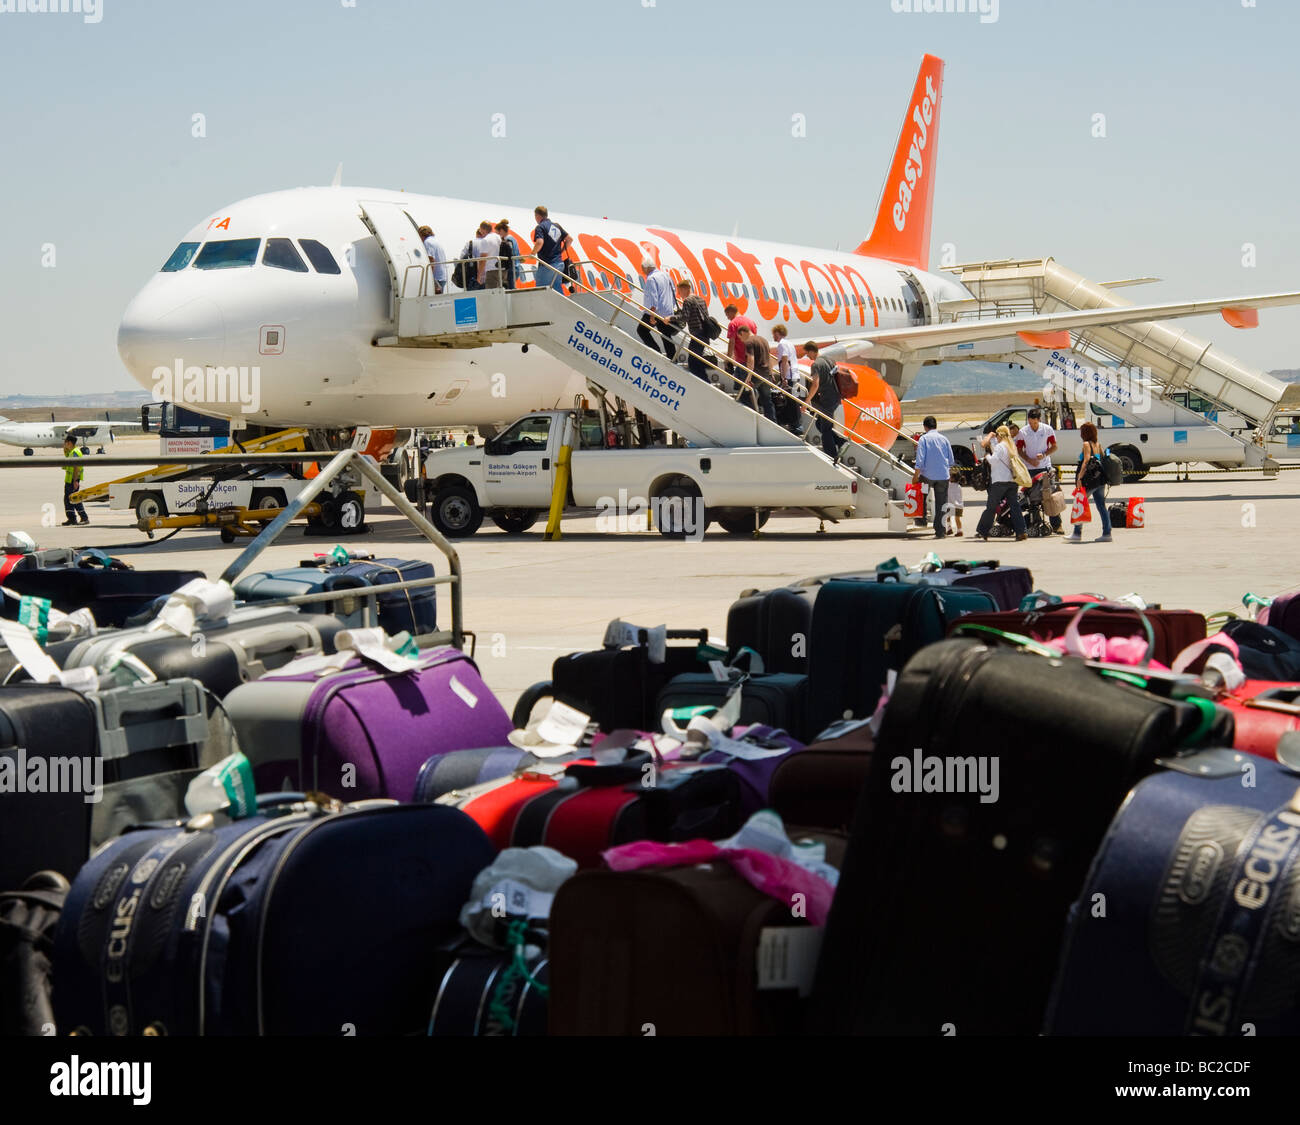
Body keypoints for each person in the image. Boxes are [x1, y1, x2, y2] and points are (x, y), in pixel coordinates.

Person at [975, 425, 1028, 541]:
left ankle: (983, 531)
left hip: (999, 481)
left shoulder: (1000, 446)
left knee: (991, 507)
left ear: (1000, 435)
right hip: (1012, 481)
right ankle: (1021, 531)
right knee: (1015, 507)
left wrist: (987, 456)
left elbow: (993, 461)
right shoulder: (1011, 446)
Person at [1017, 406, 1062, 533]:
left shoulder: (1047, 430)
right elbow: (1019, 449)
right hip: (1030, 469)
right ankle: (1035, 523)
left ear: (1039, 420)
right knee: (1032, 498)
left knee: (1050, 497)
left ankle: (1057, 524)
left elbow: (1054, 446)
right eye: (1030, 423)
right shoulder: (1023, 432)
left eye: (1035, 423)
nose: (1032, 425)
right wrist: (1028, 459)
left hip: (1045, 467)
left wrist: (1044, 454)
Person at [1068, 421, 1113, 543]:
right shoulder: (1098, 444)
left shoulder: (1086, 444)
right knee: (1101, 506)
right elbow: (1103, 458)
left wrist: (1080, 478)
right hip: (1100, 480)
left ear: (1085, 433)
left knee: (1079, 504)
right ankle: (1107, 533)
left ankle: (1077, 534)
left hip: (1089, 480)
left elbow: (1086, 461)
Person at [911, 416, 954, 539]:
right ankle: (940, 531)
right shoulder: (944, 439)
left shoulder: (924, 439)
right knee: (942, 504)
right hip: (942, 477)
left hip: (927, 477)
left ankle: (921, 519)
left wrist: (916, 475)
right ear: (936, 426)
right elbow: (951, 460)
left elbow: (920, 459)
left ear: (925, 427)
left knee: (921, 495)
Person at [804, 341, 844, 460]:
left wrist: (807, 401)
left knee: (825, 429)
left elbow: (815, 384)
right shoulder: (830, 360)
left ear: (812, 351)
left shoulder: (816, 365)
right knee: (819, 423)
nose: (808, 356)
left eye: (807, 354)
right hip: (836, 397)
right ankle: (840, 442)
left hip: (827, 399)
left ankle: (832, 455)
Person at [670, 280, 711, 380]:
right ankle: (704, 380)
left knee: (693, 361)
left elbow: (685, 317)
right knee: (696, 358)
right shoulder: (701, 299)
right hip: (705, 333)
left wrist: (670, 318)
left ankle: (704, 382)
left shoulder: (688, 301)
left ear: (685, 289)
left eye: (680, 291)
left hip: (697, 333)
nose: (679, 294)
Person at [637, 258, 677, 357]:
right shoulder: (665, 275)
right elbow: (673, 291)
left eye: (643, 269)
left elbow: (653, 298)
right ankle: (673, 357)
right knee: (666, 335)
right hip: (667, 312)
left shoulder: (651, 279)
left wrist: (652, 315)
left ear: (647, 268)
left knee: (642, 330)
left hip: (655, 312)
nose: (642, 271)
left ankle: (657, 353)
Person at [736, 326, 776, 420]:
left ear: (743, 333)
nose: (741, 340)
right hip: (766, 374)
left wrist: (749, 377)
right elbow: (769, 358)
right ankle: (772, 422)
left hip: (756, 374)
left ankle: (751, 419)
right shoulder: (763, 340)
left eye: (740, 337)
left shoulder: (749, 342)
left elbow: (751, 359)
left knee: (744, 395)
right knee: (767, 400)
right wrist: (771, 373)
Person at [531, 205, 572, 293]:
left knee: (541, 292)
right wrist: (561, 251)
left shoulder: (540, 227)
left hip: (547, 265)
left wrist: (532, 254)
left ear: (538, 216)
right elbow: (569, 239)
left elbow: (539, 242)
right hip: (559, 264)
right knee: (557, 290)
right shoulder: (556, 226)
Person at [724, 304, 757, 389]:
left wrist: (728, 359)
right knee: (744, 387)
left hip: (742, 360)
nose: (728, 318)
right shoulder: (751, 322)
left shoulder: (733, 323)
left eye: (727, 315)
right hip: (751, 360)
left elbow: (732, 342)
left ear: (731, 312)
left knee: (741, 389)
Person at [61, 435, 87, 525]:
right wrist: (64, 448)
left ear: (69, 443)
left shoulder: (75, 452)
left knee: (74, 499)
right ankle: (71, 519)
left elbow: (76, 467)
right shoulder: (71, 451)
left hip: (73, 480)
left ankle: (84, 517)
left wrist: (76, 481)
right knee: (68, 499)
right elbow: (66, 454)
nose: (64, 444)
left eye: (65, 442)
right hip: (69, 480)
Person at [417, 226, 447, 294]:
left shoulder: (427, 242)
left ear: (421, 234)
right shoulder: (436, 241)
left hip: (436, 278)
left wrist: (430, 279)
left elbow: (431, 260)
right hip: (442, 276)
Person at [473, 220, 502, 289]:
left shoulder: (485, 240)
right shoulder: (497, 237)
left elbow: (483, 260)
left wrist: (479, 276)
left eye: (480, 230)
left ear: (483, 229)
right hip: (500, 270)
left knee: (491, 295)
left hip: (491, 271)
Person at [495, 220, 520, 290]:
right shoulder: (513, 238)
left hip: (511, 269)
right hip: (516, 267)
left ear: (502, 231)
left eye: (497, 233)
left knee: (510, 290)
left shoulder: (508, 240)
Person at [947, 465, 965, 536]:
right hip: (959, 506)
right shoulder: (959, 486)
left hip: (951, 505)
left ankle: (949, 529)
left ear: (952, 478)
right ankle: (959, 531)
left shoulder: (949, 486)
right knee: (957, 519)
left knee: (948, 517)